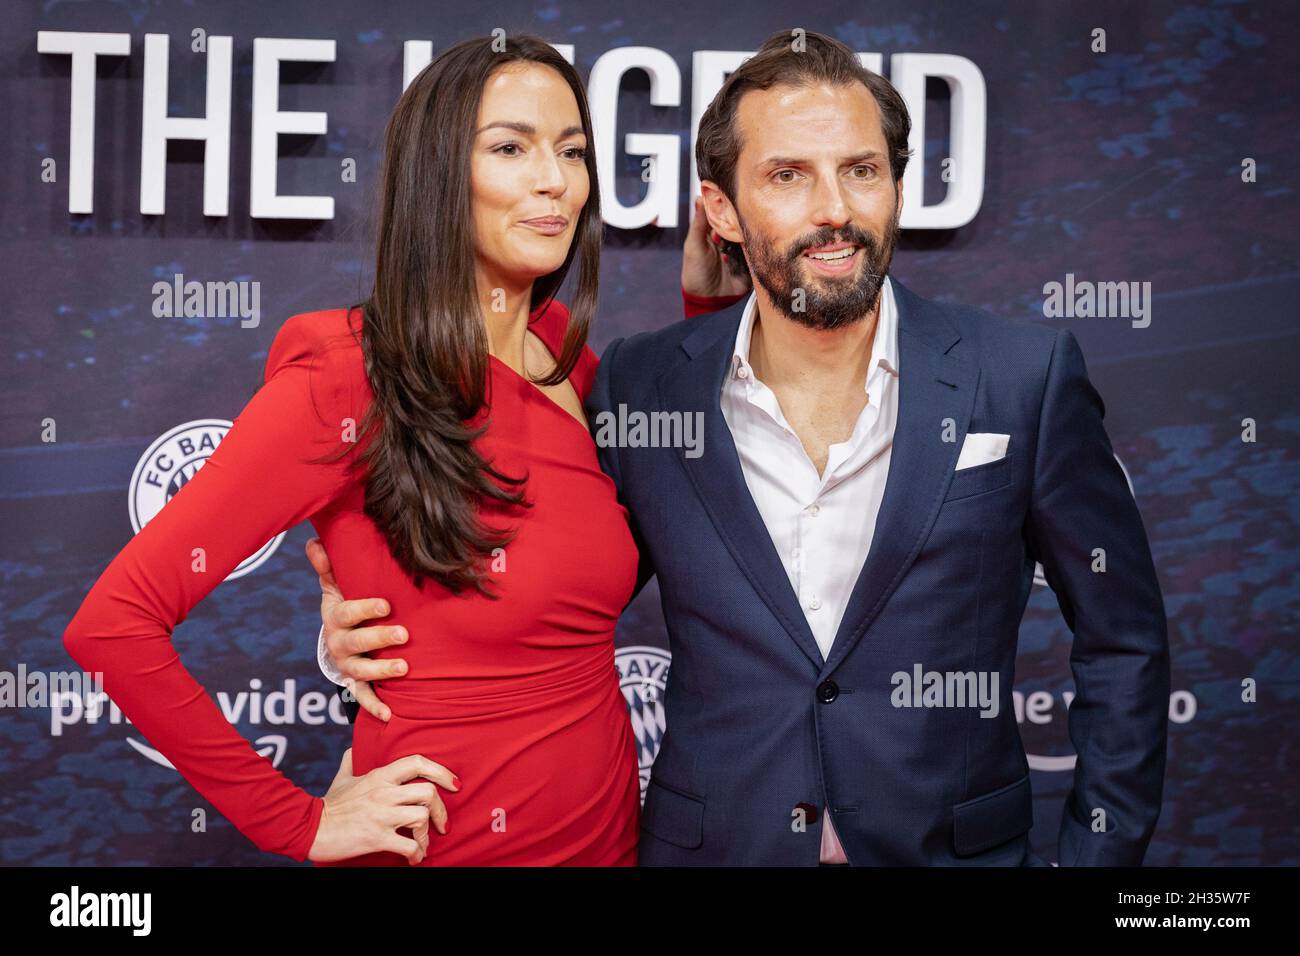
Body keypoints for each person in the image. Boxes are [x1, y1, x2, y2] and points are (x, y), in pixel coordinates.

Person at [320, 30, 1170, 866]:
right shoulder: (641, 389)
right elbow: (540, 571)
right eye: (787, 176)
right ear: (721, 209)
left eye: (861, 170)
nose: (833, 207)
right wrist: (359, 626)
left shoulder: (1022, 376)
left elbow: (1123, 638)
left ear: (898, 187)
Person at [64, 34, 648, 865]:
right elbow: (112, 626)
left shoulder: (570, 364)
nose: (554, 179)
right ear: (439, 175)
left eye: (573, 150)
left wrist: (710, 299)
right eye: (511, 148)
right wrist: (294, 822)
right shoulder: (347, 381)